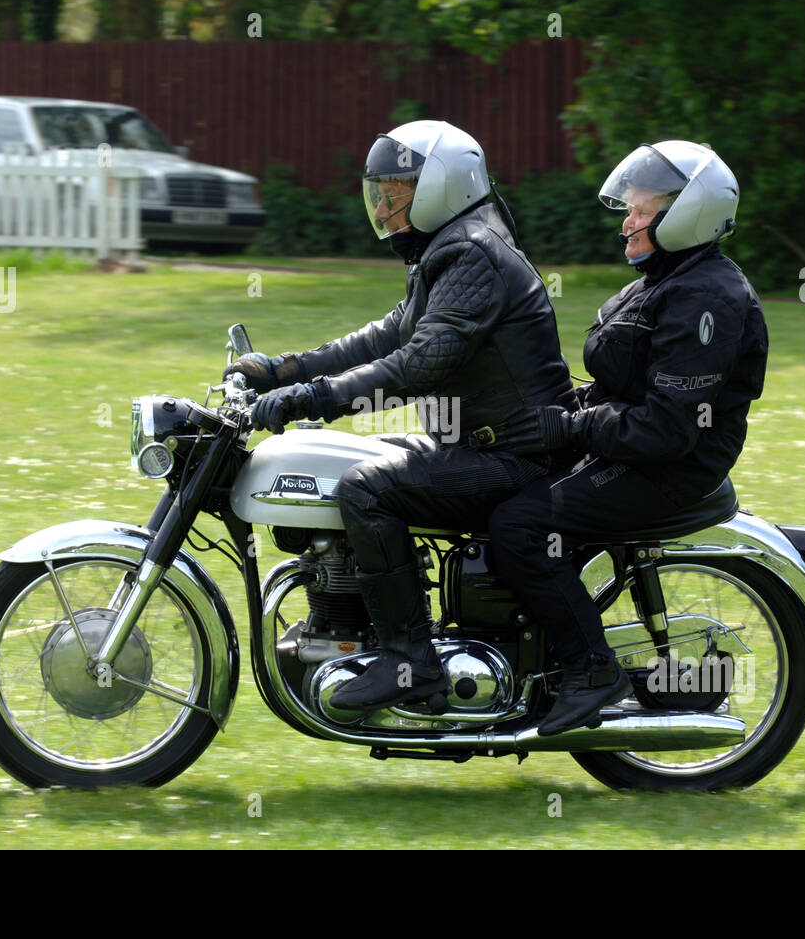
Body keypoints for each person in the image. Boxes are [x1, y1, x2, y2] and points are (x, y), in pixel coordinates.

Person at [224, 120, 575, 712]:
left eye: (397, 193)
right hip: (485, 444)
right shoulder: (453, 247)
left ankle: (411, 661)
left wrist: (311, 400)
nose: (383, 208)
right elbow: (386, 337)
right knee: (362, 462)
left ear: (443, 188)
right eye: (378, 193)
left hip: (514, 456)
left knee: (368, 492)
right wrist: (286, 370)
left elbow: (419, 365)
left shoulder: (471, 254)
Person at [481, 140, 768, 736]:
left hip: (668, 467)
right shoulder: (663, 282)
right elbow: (620, 389)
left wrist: (571, 424)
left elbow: (667, 425)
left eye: (642, 210)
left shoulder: (707, 298)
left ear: (687, 212)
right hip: (630, 448)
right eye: (629, 210)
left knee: (519, 527)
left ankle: (591, 671)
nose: (627, 224)